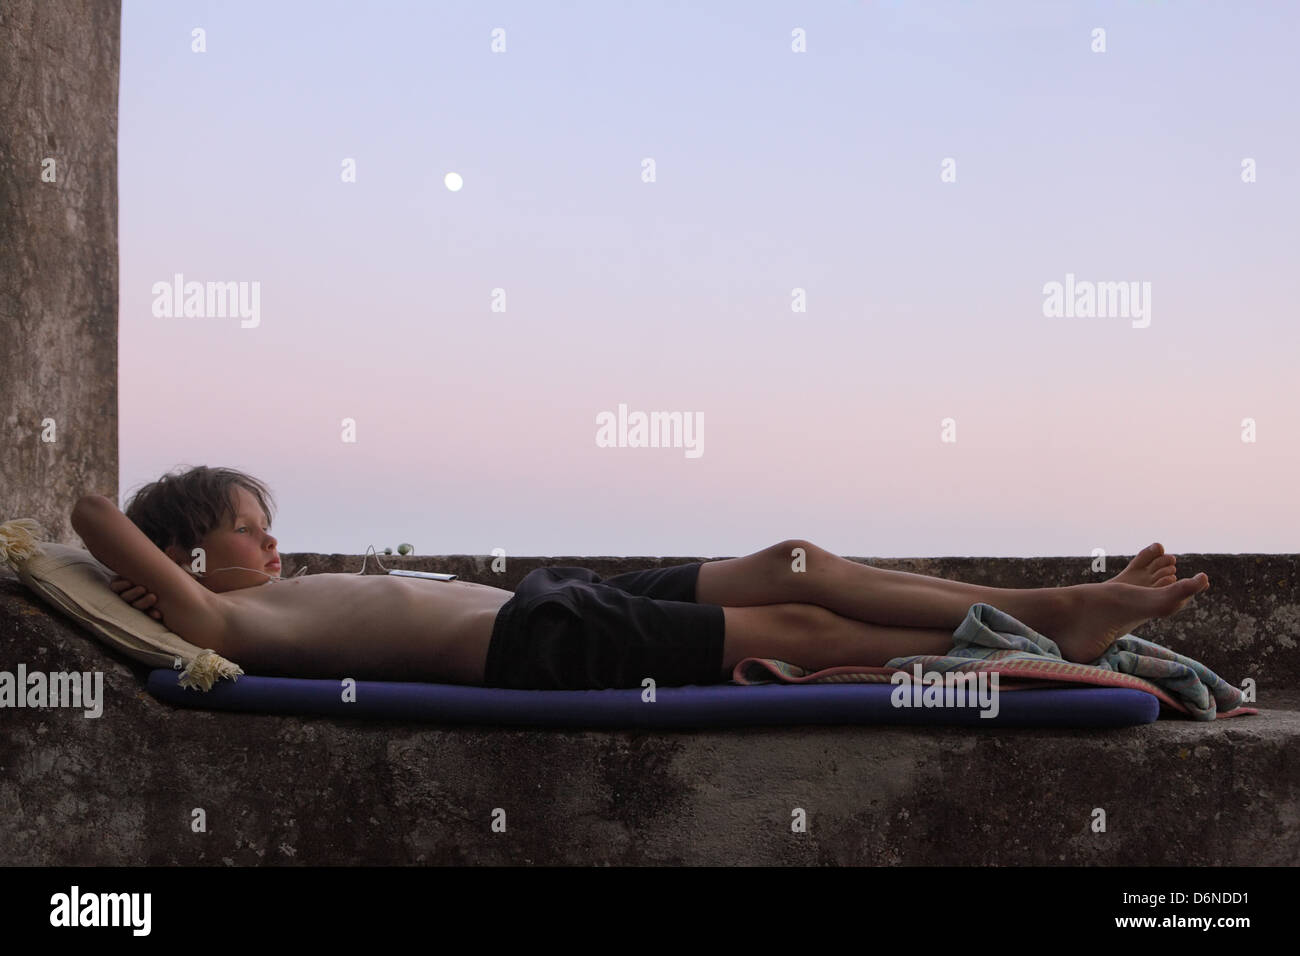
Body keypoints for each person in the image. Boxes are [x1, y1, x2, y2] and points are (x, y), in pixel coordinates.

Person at [72, 465, 1210, 690]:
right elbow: (83, 513)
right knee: (802, 626)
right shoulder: (226, 613)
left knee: (795, 560)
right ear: (185, 554)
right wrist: (163, 571)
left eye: (272, 530)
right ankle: (1042, 634)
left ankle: (1055, 607)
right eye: (248, 529)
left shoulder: (249, 590)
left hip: (547, 598)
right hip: (544, 646)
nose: (273, 548)